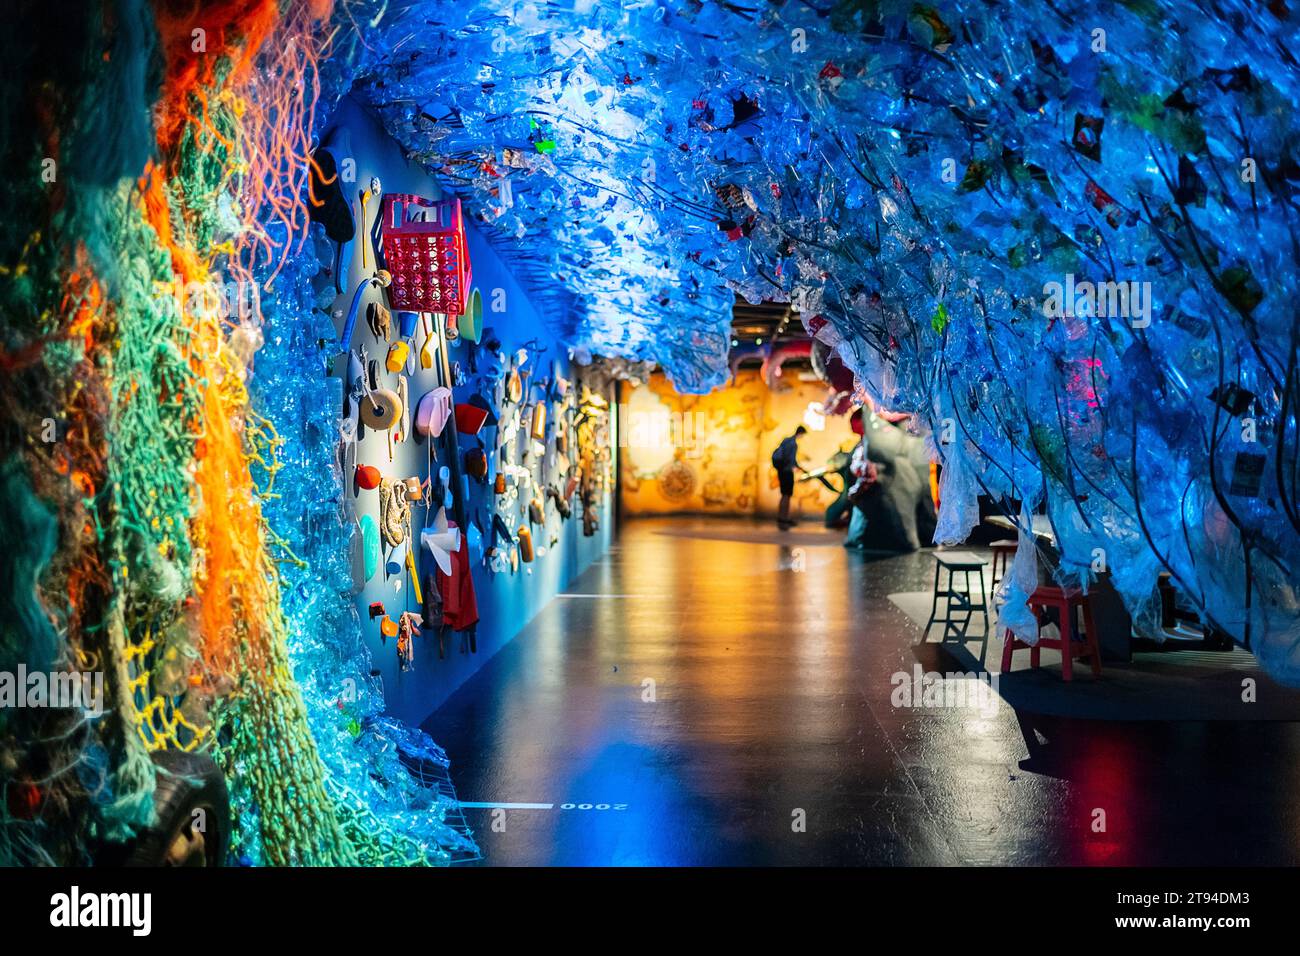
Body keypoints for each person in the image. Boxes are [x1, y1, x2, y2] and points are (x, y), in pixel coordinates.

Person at [771, 426, 808, 530]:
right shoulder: (793, 444)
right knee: (787, 495)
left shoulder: (786, 440)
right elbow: (792, 460)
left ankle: (781, 518)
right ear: (800, 433)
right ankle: (784, 518)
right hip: (787, 471)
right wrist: (800, 468)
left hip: (781, 470)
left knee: (784, 495)